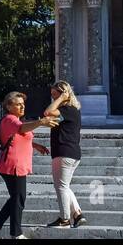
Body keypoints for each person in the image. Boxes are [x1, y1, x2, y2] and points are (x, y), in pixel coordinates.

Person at [0, 92, 56, 239]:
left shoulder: (14, 120)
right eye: (18, 104)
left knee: (16, 199)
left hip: (15, 165)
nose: (22, 106)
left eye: (23, 104)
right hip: (13, 166)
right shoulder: (10, 120)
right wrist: (41, 122)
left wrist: (35, 145)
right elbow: (22, 128)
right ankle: (16, 234)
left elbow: (19, 137)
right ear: (8, 106)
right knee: (19, 199)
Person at [43, 81, 86, 229]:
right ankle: (78, 215)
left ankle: (64, 219)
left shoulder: (67, 108)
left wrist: (61, 99)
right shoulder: (71, 109)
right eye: (52, 95)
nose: (53, 98)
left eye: (55, 94)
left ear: (64, 93)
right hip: (71, 152)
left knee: (60, 186)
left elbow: (47, 112)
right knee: (64, 186)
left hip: (64, 152)